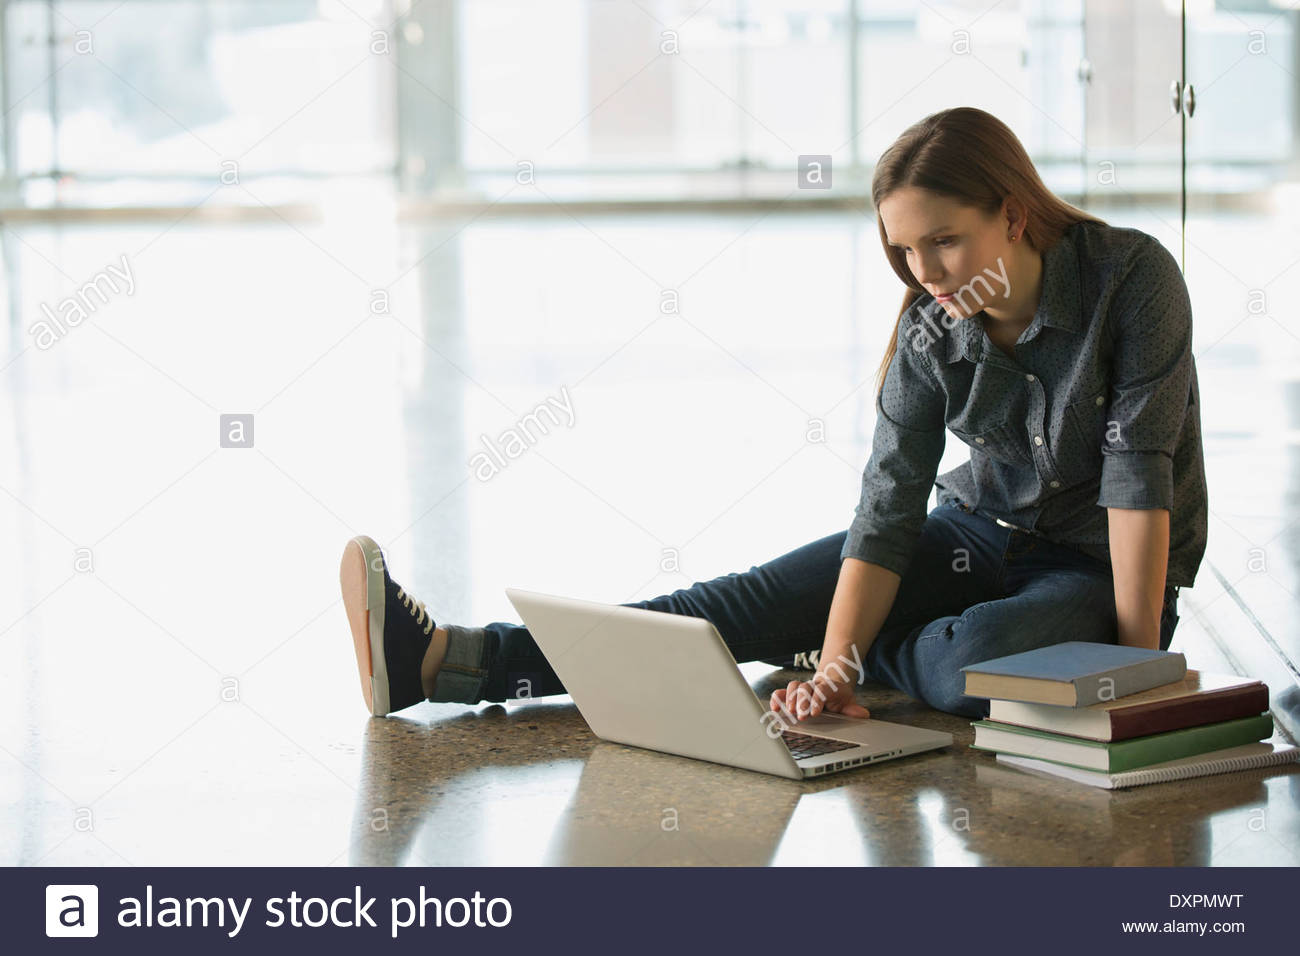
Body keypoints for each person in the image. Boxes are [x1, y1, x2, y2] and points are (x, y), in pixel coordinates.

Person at [340, 106, 1207, 725]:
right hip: (971, 534)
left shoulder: (1130, 283)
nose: (925, 272)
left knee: (960, 662)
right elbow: (890, 505)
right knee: (740, 601)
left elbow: (1137, 483)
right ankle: (455, 661)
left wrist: (1137, 670)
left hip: (1097, 568)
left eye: (943, 240)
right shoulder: (927, 328)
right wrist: (837, 670)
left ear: (1011, 214)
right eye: (903, 250)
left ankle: (861, 642)